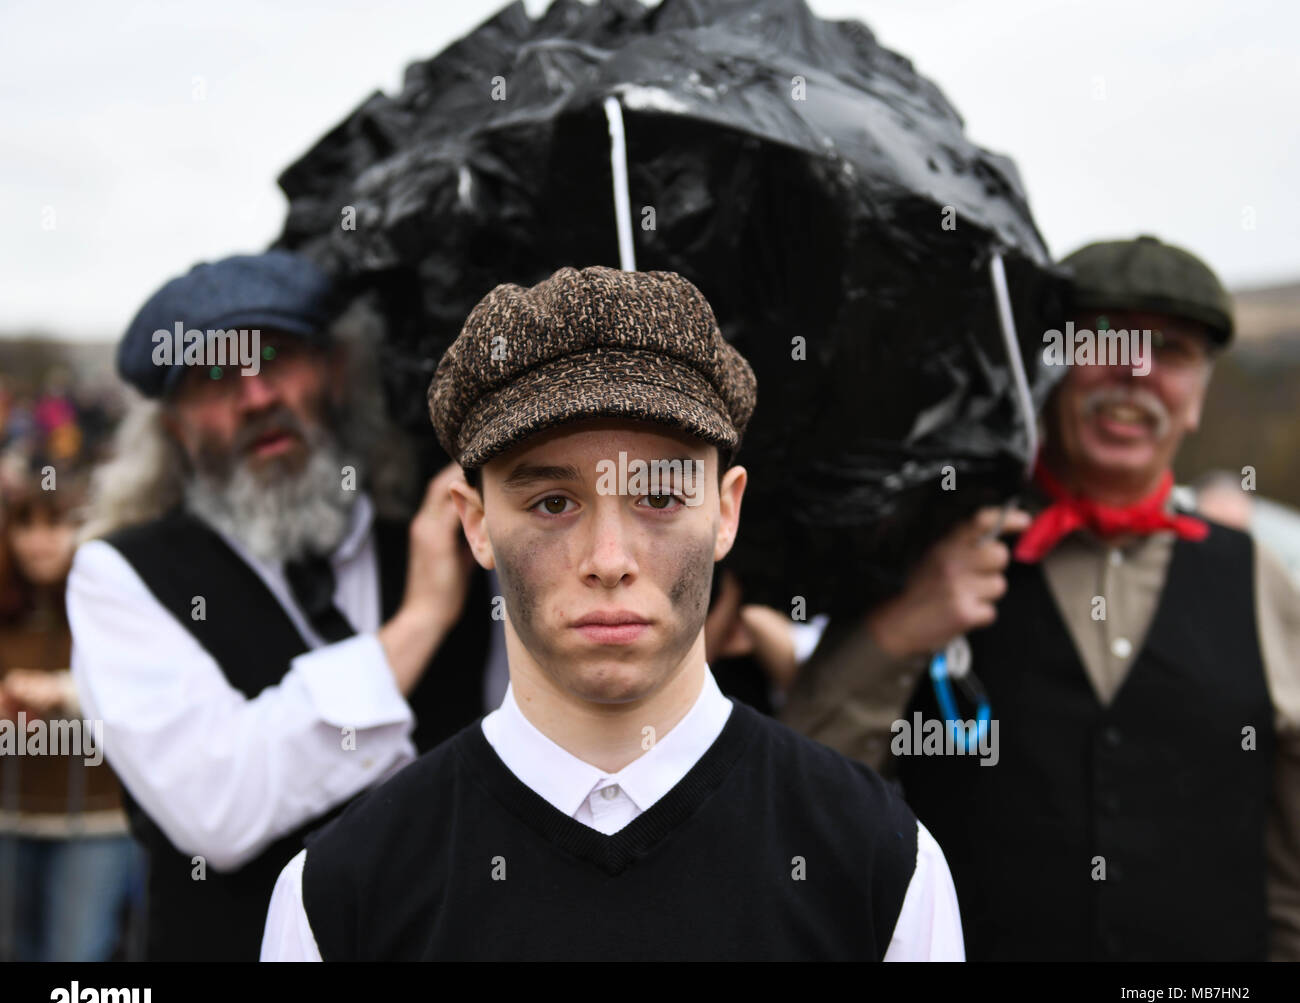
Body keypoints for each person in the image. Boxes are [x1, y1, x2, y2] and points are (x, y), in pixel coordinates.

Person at [261, 265, 964, 961]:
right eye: (552, 502)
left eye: (657, 496)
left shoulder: (884, 866)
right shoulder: (339, 896)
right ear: (475, 524)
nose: (608, 556)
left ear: (726, 510)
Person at [780, 234, 1300, 961]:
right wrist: (898, 632)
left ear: (1198, 398)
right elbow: (800, 791)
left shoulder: (1257, 576)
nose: (1136, 374)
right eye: (1105, 341)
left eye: (1173, 352)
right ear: (1046, 367)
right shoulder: (936, 550)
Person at [67, 251, 491, 960]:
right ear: (173, 423)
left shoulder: (446, 535)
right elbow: (219, 806)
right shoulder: (119, 574)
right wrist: (417, 623)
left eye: (276, 356)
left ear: (333, 370)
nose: (257, 395)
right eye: (213, 375)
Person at [0, 479, 141, 961]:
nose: (39, 542)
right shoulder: (10, 613)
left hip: (95, 821)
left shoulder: (110, 608)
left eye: (55, 525)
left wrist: (61, 692)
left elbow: (142, 687)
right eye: (26, 526)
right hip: (11, 814)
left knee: (76, 956)